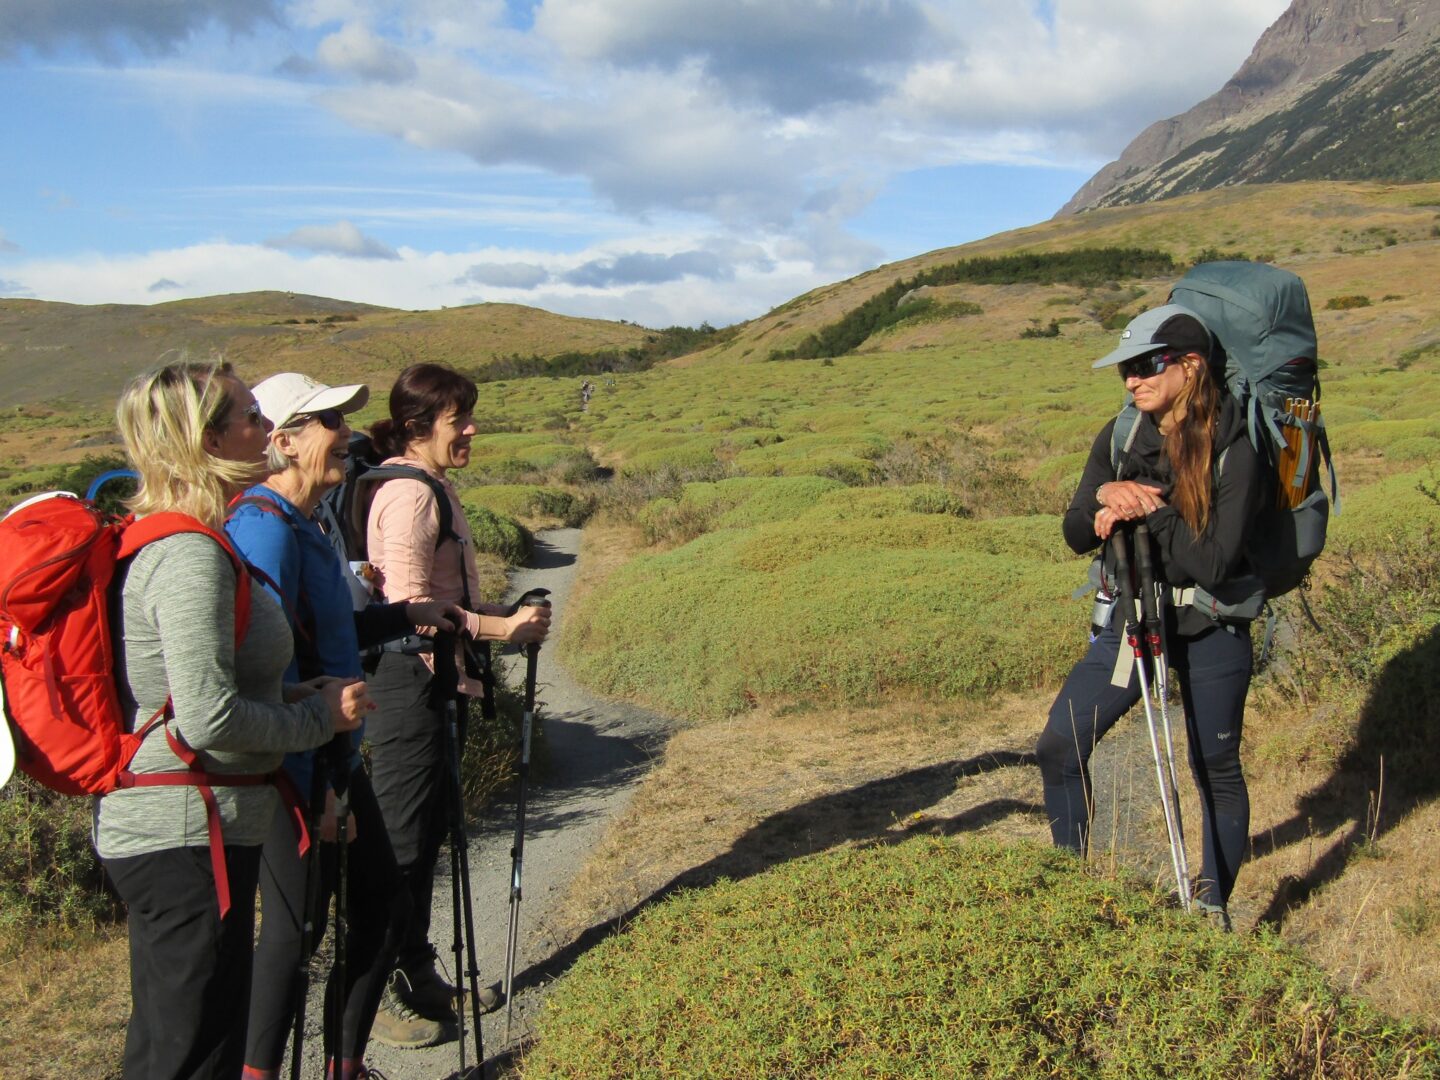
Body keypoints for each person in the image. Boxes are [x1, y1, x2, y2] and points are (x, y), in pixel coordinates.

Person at [101, 360, 370, 1080]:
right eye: (252, 416)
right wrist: (317, 718)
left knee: (184, 1041)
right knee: (189, 1053)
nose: (267, 430)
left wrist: (292, 699)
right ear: (207, 439)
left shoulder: (195, 540)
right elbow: (209, 719)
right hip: (184, 833)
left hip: (197, 825)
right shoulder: (188, 554)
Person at [225, 373, 468, 1076]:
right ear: (285, 441)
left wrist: (404, 615)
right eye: (329, 418)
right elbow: (262, 659)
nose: (348, 432)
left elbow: (328, 627)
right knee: (294, 933)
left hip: (332, 754)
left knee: (382, 909)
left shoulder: (304, 524)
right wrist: (317, 785)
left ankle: (342, 1063)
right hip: (294, 763)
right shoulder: (261, 528)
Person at [1035, 305, 1261, 929]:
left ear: (1191, 367)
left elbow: (1213, 563)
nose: (1132, 380)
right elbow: (1076, 532)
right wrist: (1106, 497)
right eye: (1125, 370)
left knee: (1213, 768)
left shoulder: (1234, 447)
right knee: (1060, 743)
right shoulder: (1121, 435)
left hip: (1211, 624)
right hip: (1132, 619)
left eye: (1145, 365)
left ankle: (1211, 909)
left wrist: (1147, 510)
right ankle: (1074, 898)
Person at [363, 362, 550, 1044]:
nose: (471, 428)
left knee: (430, 832)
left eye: (470, 414)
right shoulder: (412, 497)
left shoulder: (434, 487)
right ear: (419, 428)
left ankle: (419, 975)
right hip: (410, 684)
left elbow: (447, 603)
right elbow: (408, 610)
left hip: (438, 681)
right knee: (403, 844)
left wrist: (504, 612)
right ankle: (375, 993)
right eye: (457, 419)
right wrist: (501, 629)